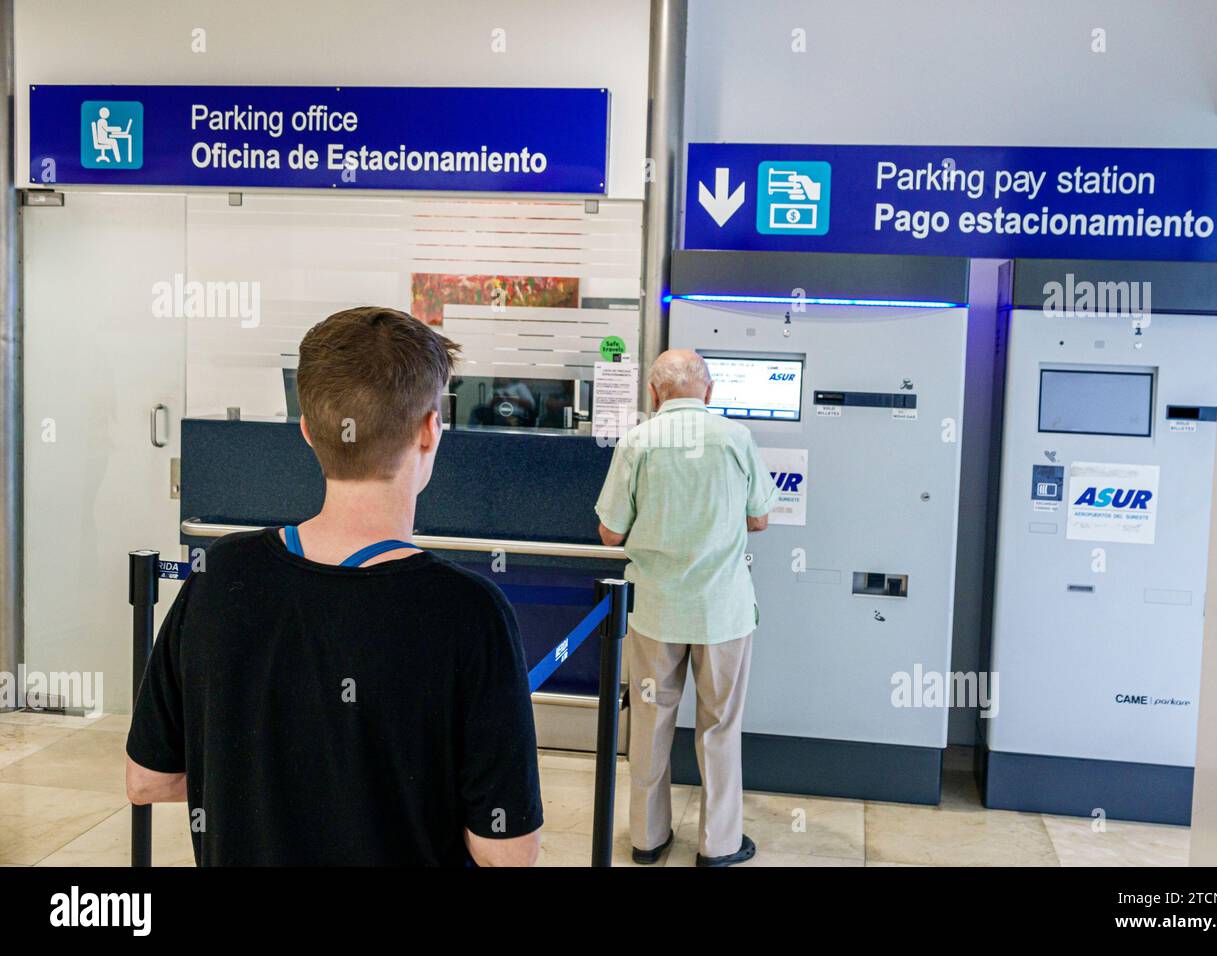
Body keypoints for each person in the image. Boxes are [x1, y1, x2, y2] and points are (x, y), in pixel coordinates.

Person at [125, 306, 543, 866]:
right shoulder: (469, 612)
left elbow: (147, 780)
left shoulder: (219, 573)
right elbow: (507, 851)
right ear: (429, 430)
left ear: (306, 428)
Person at [594, 350, 777, 867]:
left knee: (651, 722)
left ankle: (648, 840)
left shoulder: (638, 442)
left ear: (654, 394)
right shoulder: (735, 439)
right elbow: (761, 519)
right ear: (710, 392)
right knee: (720, 726)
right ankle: (719, 846)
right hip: (723, 613)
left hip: (656, 612)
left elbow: (611, 531)